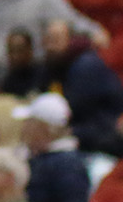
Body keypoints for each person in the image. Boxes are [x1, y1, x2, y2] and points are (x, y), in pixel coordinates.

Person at [8, 93, 86, 202]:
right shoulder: (35, 158)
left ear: (44, 128)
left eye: (29, 123)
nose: (24, 129)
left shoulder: (67, 164)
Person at [39, 18, 123, 155]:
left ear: (71, 40)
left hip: (103, 137)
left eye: (56, 40)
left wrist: (65, 131)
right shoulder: (52, 66)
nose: (50, 46)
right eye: (47, 40)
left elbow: (75, 111)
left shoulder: (86, 67)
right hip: (81, 133)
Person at [0, 30, 44, 98]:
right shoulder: (9, 79)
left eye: (19, 50)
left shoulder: (43, 76)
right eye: (11, 50)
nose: (15, 56)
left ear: (30, 50)